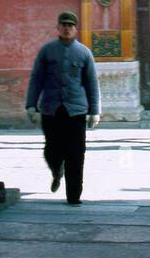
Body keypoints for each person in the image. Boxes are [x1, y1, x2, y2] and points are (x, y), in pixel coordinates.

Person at [25, 11, 100, 204]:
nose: (67, 28)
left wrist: (95, 111)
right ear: (58, 27)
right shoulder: (47, 51)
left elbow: (92, 83)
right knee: (52, 149)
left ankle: (74, 196)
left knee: (76, 153)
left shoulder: (84, 52)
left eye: (70, 25)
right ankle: (57, 171)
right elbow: (37, 79)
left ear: (75, 29)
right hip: (51, 109)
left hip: (76, 110)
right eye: (63, 25)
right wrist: (31, 105)